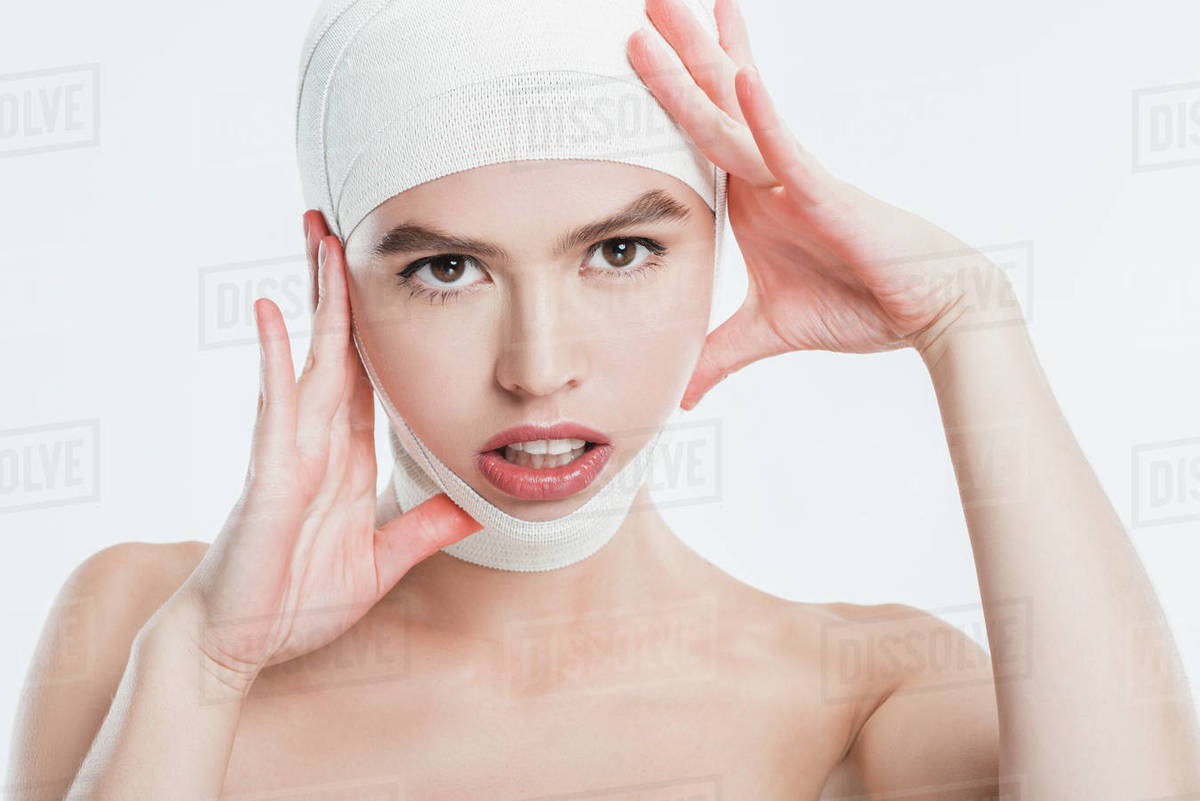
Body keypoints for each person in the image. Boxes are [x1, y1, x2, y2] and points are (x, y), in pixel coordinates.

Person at [9, 0, 1200, 798]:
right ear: (339, 276)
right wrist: (205, 667)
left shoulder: (861, 694)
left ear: (719, 242)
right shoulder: (144, 627)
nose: (537, 368)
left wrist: (970, 321)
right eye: (447, 268)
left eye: (619, 253)